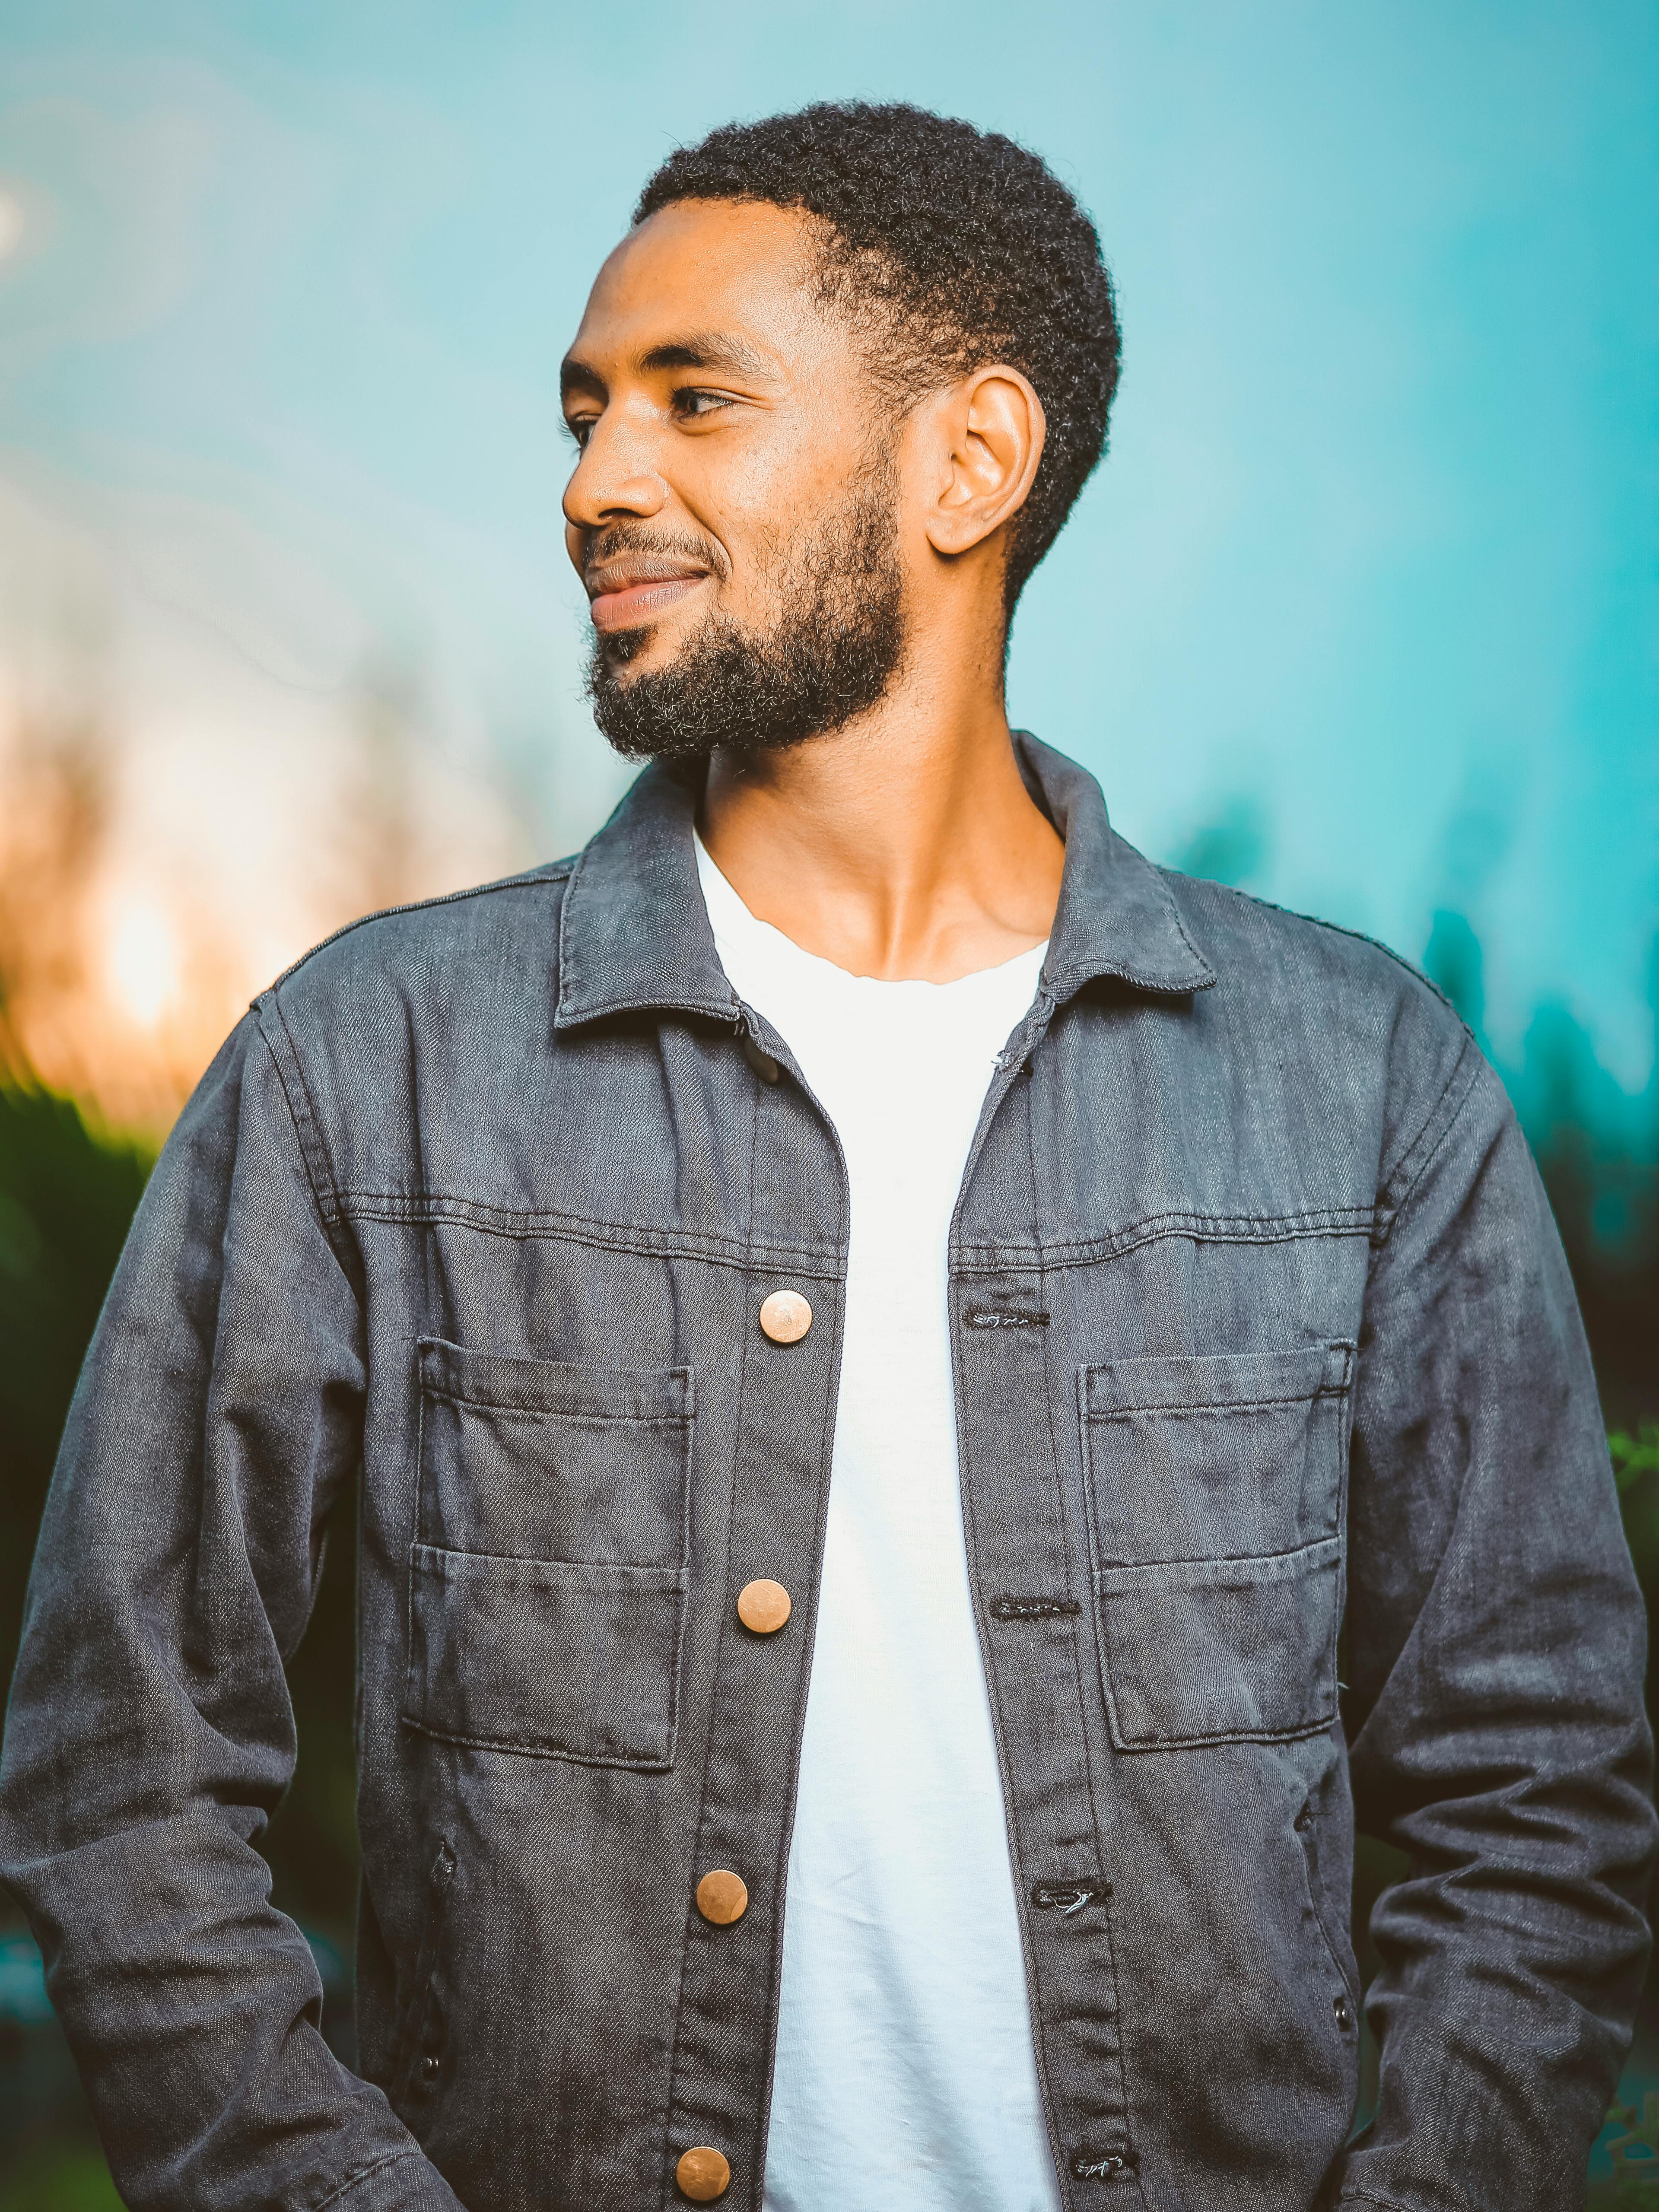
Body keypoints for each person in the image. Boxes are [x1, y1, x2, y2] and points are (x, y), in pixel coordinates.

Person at [0, 99, 1651, 2212]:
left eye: (697, 400)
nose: (599, 481)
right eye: (586, 410)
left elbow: (1542, 1801)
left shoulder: (1368, 1088)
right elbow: (119, 1780)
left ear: (968, 462)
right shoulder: (364, 1066)